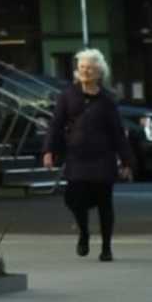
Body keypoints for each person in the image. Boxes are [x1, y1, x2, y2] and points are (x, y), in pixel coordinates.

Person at [41, 47, 131, 260]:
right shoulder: (67, 95)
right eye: (82, 67)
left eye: (90, 68)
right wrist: (48, 151)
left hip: (103, 158)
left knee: (104, 203)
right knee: (73, 199)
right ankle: (83, 232)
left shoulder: (107, 99)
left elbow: (117, 132)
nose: (85, 71)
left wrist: (126, 161)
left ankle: (106, 248)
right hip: (77, 158)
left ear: (99, 72)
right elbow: (55, 125)